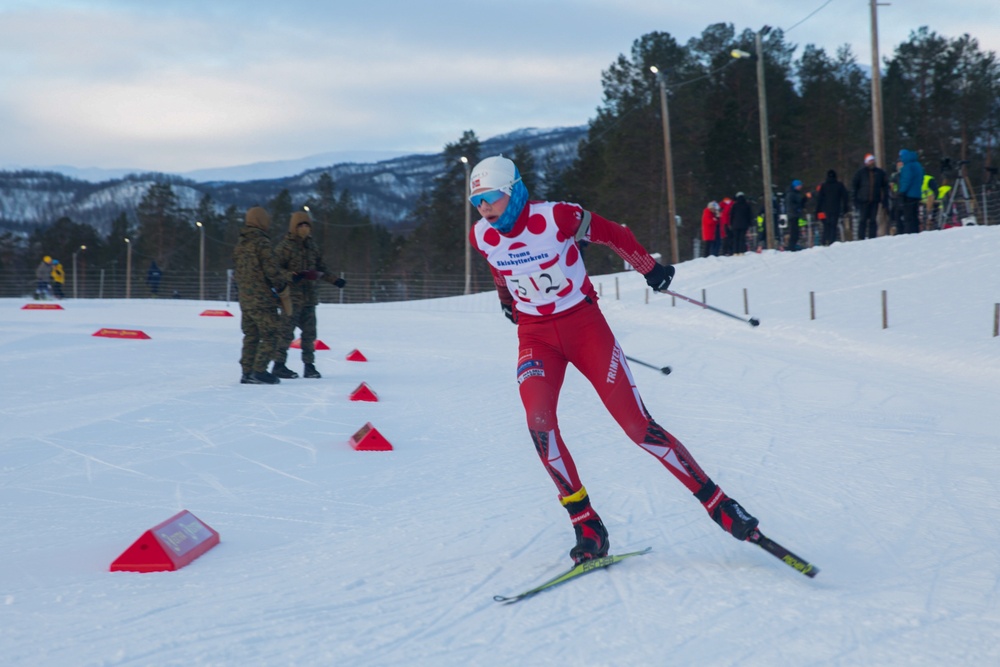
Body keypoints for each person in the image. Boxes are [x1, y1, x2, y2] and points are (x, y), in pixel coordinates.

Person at [467, 155, 760, 565]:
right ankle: (585, 523)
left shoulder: (557, 217)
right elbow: (499, 270)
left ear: (514, 192)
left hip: (584, 327)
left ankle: (719, 504)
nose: (484, 208)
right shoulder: (481, 236)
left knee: (637, 427)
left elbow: (613, 233)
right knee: (539, 425)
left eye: (492, 197)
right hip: (535, 337)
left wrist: (650, 269)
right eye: (477, 201)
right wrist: (506, 301)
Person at [272, 210, 347, 379]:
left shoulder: (313, 246)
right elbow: (275, 269)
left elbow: (321, 267)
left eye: (307, 225)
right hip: (291, 297)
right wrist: (291, 276)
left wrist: (335, 280)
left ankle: (309, 366)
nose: (304, 228)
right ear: (293, 227)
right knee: (285, 332)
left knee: (310, 333)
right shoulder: (284, 247)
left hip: (310, 297)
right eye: (301, 225)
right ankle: (279, 365)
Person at [233, 206, 294, 385]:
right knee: (271, 334)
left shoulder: (240, 244)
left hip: (245, 299)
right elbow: (271, 270)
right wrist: (281, 287)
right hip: (262, 299)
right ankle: (260, 370)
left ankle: (246, 372)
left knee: (251, 335)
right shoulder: (261, 242)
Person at [851, 153, 889, 240]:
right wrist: (855, 199)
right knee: (862, 220)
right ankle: (861, 238)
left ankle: (872, 238)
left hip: (875, 200)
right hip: (863, 200)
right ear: (866, 162)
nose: (871, 162)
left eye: (872, 160)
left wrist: (884, 200)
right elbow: (854, 186)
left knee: (873, 220)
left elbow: (885, 187)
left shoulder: (880, 173)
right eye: (870, 161)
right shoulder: (860, 173)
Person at [815, 170, 849, 246]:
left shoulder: (823, 186)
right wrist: (845, 207)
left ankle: (824, 241)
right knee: (834, 225)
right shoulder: (839, 185)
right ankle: (832, 241)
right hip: (836, 208)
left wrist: (817, 211)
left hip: (825, 209)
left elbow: (819, 199)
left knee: (827, 225)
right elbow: (845, 196)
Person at [898, 149, 925, 234]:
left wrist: (902, 192)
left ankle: (909, 233)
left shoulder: (907, 166)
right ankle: (916, 231)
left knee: (908, 216)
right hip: (917, 193)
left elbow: (906, 180)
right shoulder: (917, 165)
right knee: (915, 215)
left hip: (909, 194)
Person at [785, 180, 806, 250]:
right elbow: (793, 205)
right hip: (793, 215)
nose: (801, 187)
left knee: (796, 231)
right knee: (794, 231)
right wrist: (798, 208)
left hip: (795, 215)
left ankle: (793, 245)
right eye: (799, 185)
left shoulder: (795, 193)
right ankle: (792, 246)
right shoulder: (791, 194)